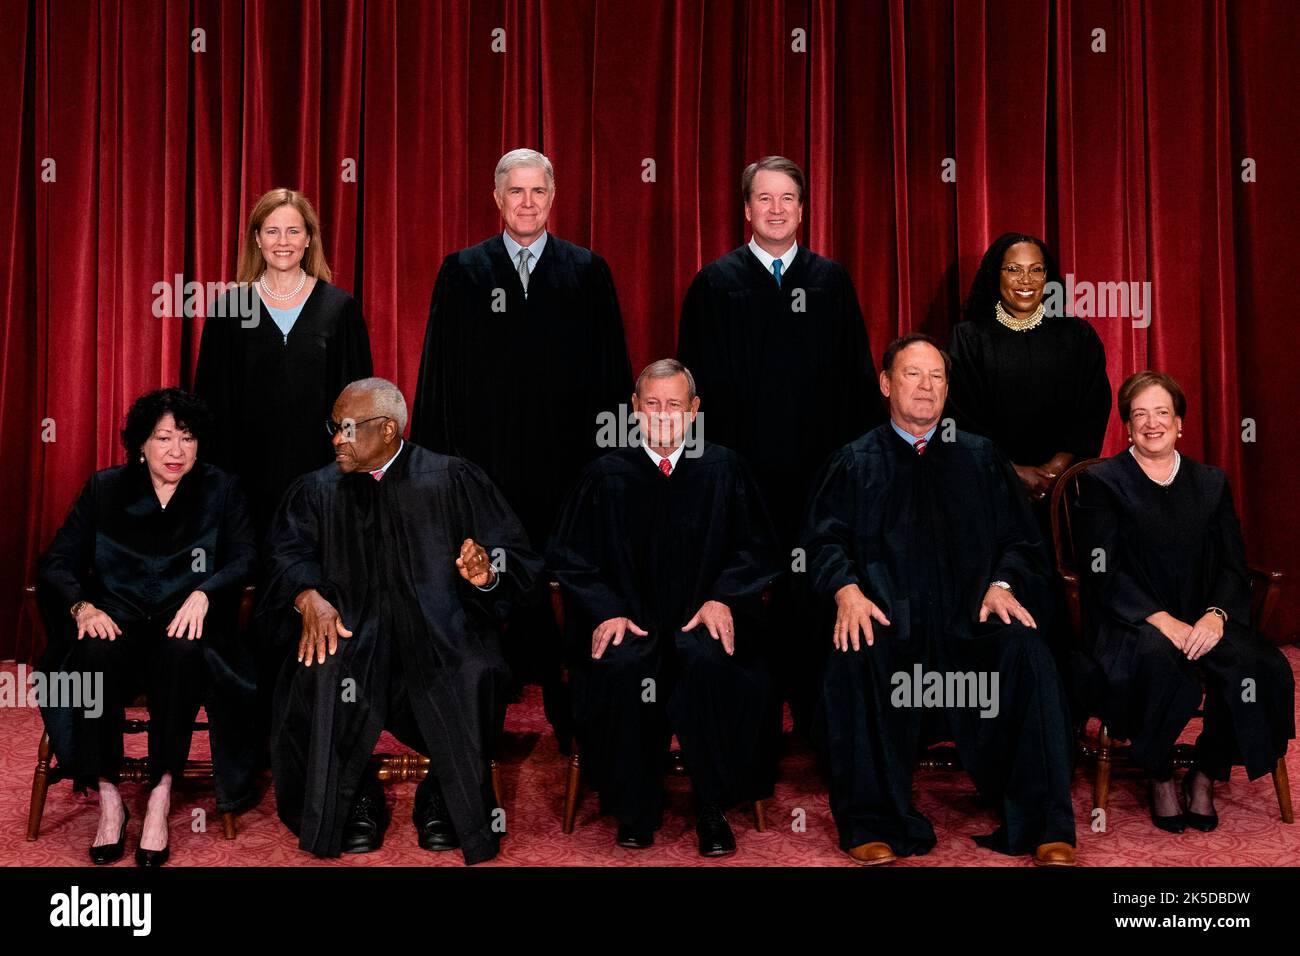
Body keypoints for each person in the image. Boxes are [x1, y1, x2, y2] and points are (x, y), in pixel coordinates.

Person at [804, 333, 1077, 866]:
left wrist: (1002, 585)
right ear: (886, 384)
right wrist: (847, 590)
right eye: (912, 374)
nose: (926, 387)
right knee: (853, 652)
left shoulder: (980, 458)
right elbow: (821, 542)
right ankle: (872, 820)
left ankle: (1045, 823)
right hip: (888, 622)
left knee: (1028, 653)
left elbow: (1022, 543)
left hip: (967, 623)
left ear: (948, 388)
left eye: (937, 376)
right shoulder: (854, 462)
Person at [259, 378, 542, 864]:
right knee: (318, 671)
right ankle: (351, 800)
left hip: (440, 632)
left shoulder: (452, 478)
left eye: (346, 429)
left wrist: (486, 572)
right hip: (352, 633)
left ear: (388, 430)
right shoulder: (316, 490)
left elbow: (514, 555)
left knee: (477, 672)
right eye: (333, 427)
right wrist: (307, 595)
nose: (335, 440)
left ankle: (445, 796)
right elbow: (285, 555)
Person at [412, 148, 632, 747]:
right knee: (487, 583)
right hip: (487, 470)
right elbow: (438, 379)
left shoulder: (588, 272)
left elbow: (613, 379)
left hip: (570, 469)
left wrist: (611, 466)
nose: (527, 203)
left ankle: (577, 716)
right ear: (497, 198)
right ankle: (482, 719)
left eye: (537, 192)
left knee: (570, 587)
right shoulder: (463, 272)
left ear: (553, 197)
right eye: (516, 192)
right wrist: (437, 472)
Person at [548, 360, 781, 856]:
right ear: (634, 409)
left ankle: (713, 807)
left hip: (702, 621)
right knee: (623, 667)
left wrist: (725, 598)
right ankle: (635, 808)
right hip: (630, 623)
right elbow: (571, 560)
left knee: (711, 662)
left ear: (694, 412)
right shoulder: (605, 475)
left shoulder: (724, 469)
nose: (662, 415)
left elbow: (758, 550)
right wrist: (606, 610)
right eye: (651, 404)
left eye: (674, 405)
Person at [677, 155, 879, 728]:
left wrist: (849, 471)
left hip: (818, 474)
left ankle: (820, 718)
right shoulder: (715, 284)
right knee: (744, 588)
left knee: (813, 589)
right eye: (764, 199)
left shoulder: (830, 282)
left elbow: (857, 384)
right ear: (746, 209)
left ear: (802, 209)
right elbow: (694, 393)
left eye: (787, 198)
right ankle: (749, 722)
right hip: (740, 475)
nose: (775, 209)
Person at [36, 389, 258, 866]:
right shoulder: (105, 489)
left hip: (185, 620)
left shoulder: (221, 489)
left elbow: (245, 557)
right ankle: (109, 796)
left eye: (187, 438)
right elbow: (57, 562)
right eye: (163, 438)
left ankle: (160, 792)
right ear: (141, 444)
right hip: (115, 619)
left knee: (183, 652)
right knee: (93, 655)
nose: (176, 451)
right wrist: (82, 609)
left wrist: (206, 592)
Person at [1077, 371, 1295, 832]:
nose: (1152, 423)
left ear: (1180, 424)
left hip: (1205, 615)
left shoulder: (1210, 482)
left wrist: (1216, 616)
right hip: (1132, 621)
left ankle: (1205, 770)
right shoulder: (1104, 481)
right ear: (1127, 426)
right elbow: (1102, 569)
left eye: (1162, 413)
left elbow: (1233, 565)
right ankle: (1158, 772)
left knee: (1261, 669)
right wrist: (1163, 621)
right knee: (1157, 662)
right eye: (1140, 415)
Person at [194, 187, 374, 538]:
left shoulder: (339, 309)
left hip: (323, 478)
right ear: (257, 239)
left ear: (309, 239)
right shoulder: (230, 309)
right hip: (245, 480)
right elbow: (210, 404)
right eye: (272, 231)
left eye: (294, 231)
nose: (283, 241)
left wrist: (350, 466)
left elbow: (359, 401)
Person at [947, 232, 1111, 512]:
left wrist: (1055, 469)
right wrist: (1012, 471)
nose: (1026, 280)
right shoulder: (969, 338)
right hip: (990, 490)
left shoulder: (1077, 336)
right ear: (995, 274)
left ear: (1047, 277)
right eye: (1013, 269)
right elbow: (960, 416)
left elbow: (1093, 407)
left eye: (1036, 269)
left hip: (1062, 492)